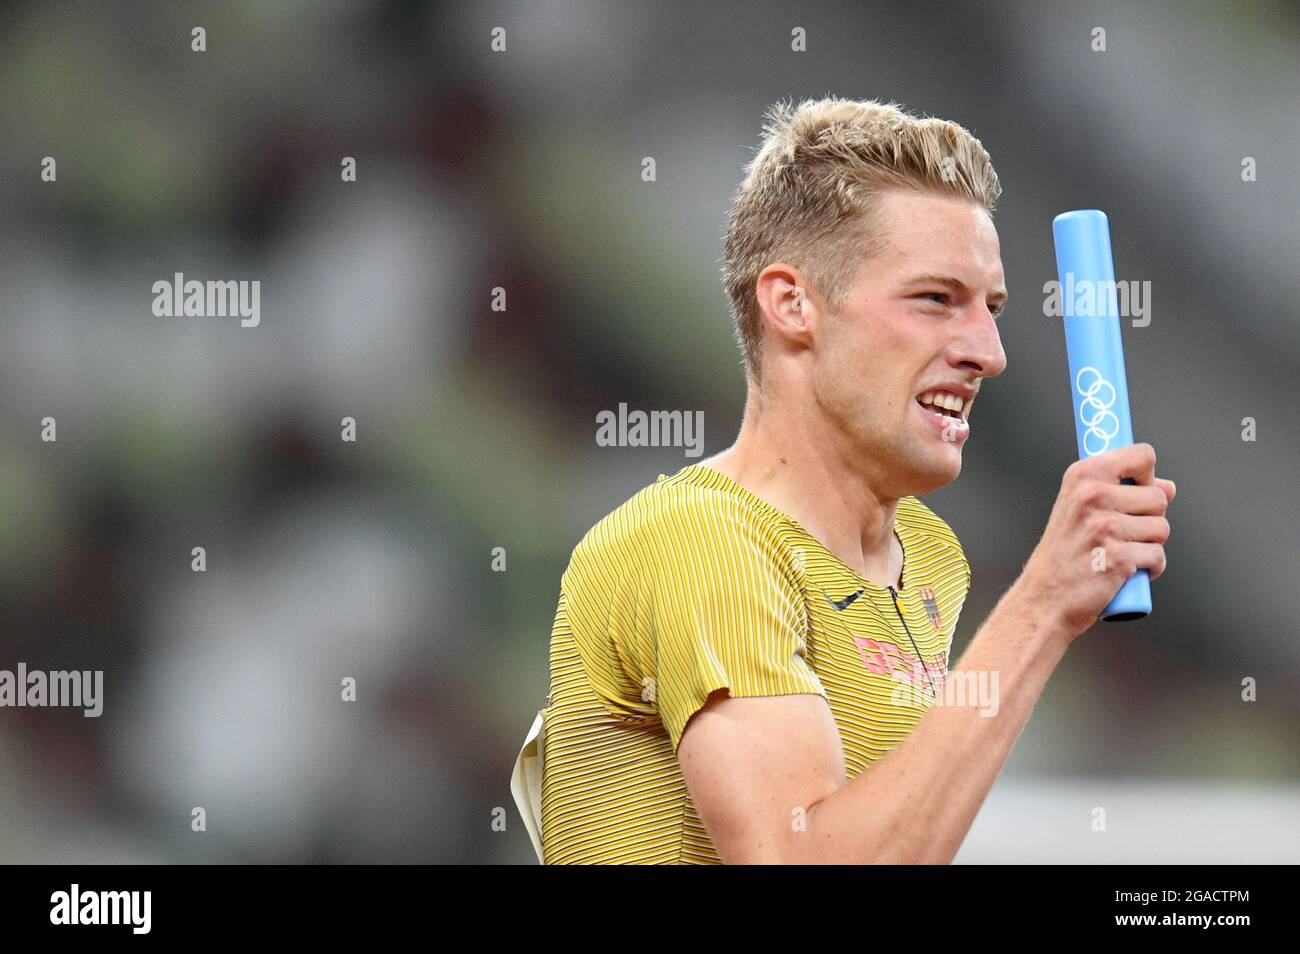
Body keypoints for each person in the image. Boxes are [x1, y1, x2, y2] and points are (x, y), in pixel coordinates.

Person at [511, 95, 1175, 864]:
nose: (988, 352)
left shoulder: (925, 555)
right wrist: (1043, 605)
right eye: (936, 299)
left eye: (990, 308)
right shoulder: (701, 543)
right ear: (793, 304)